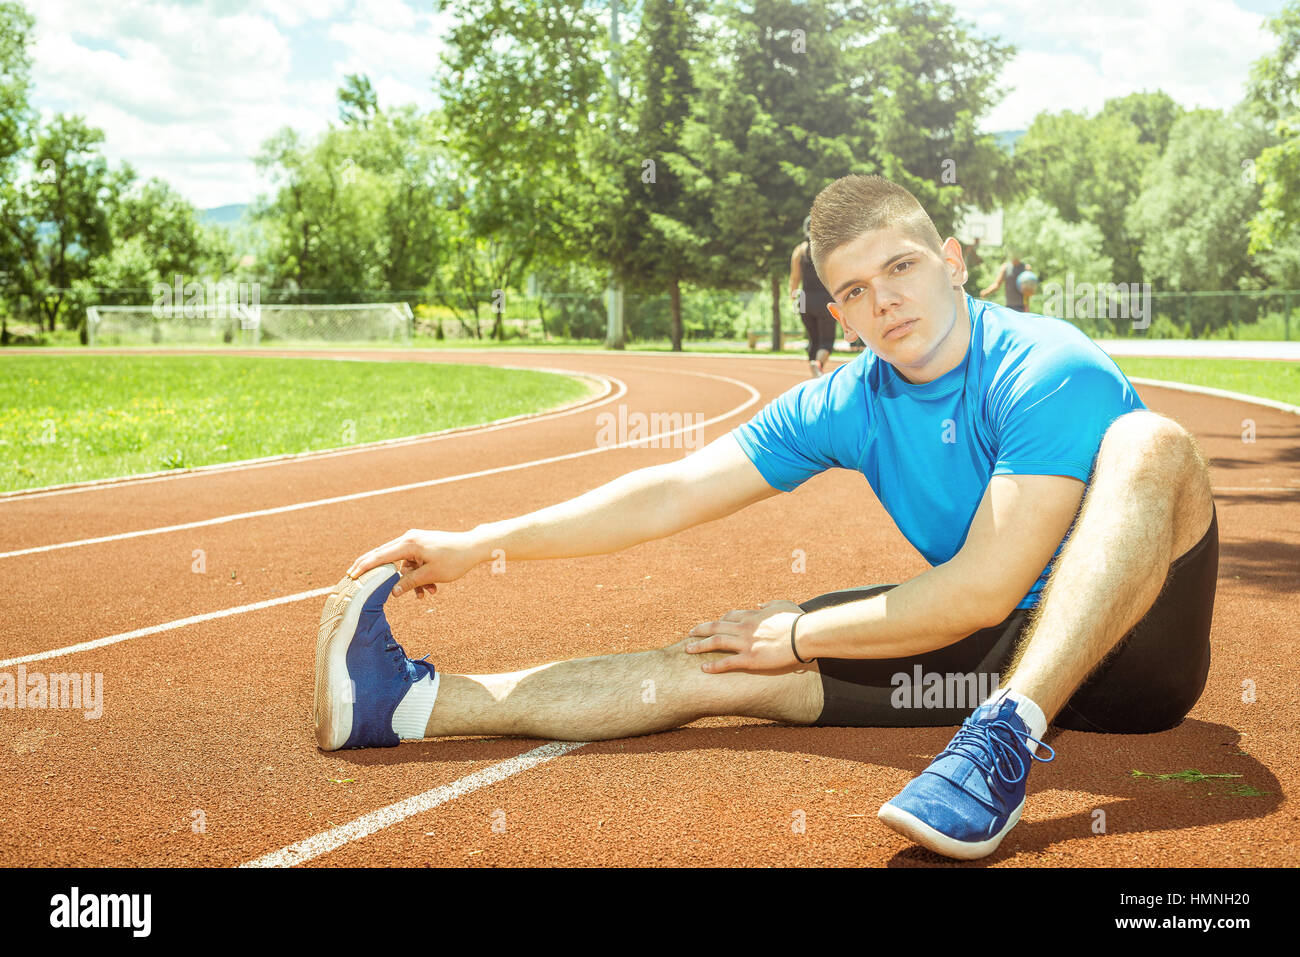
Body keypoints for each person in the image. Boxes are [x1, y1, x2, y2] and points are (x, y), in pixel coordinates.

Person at [317, 173, 1217, 862]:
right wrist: (485, 541)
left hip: (1136, 652)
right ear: (838, 310)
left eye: (900, 267)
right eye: (856, 290)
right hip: (994, 642)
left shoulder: (1047, 365)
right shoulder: (845, 399)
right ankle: (405, 705)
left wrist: (802, 633)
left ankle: (1005, 739)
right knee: (721, 661)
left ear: (951, 261)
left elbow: (982, 586)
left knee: (1150, 441)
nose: (885, 300)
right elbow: (671, 490)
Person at [789, 216, 840, 376]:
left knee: (813, 340)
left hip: (804, 301)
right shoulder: (828, 250)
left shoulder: (799, 251)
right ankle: (818, 365)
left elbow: (794, 278)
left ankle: (814, 370)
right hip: (825, 301)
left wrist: (793, 296)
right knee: (826, 342)